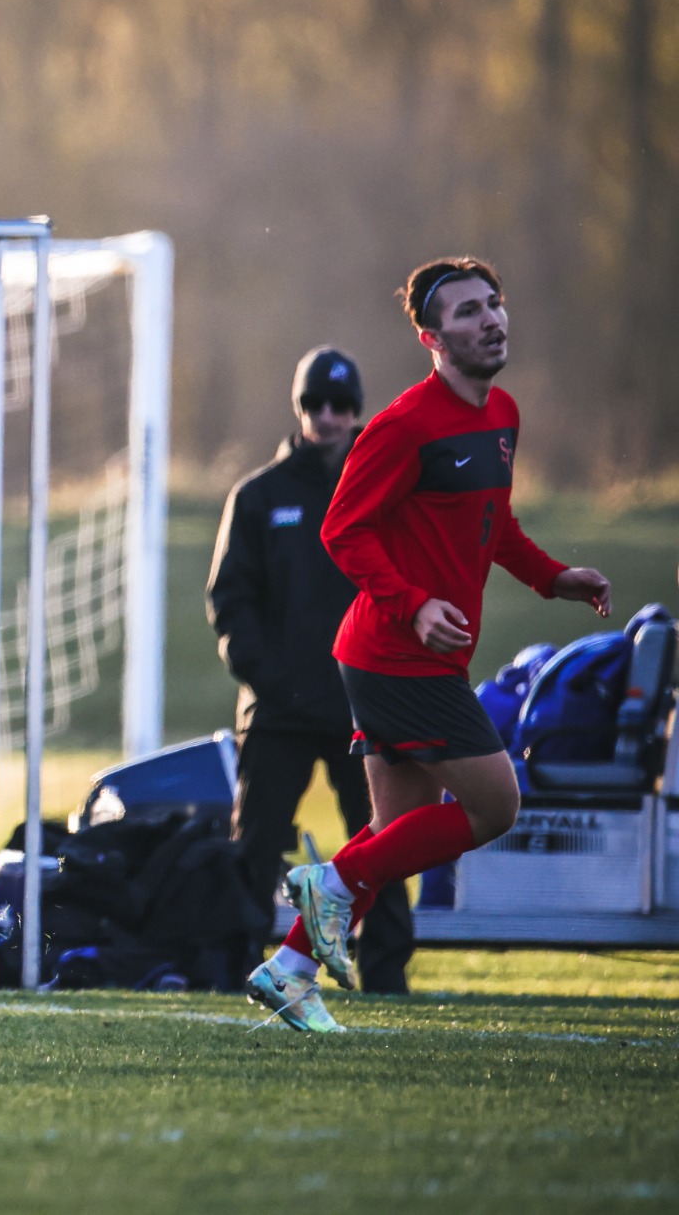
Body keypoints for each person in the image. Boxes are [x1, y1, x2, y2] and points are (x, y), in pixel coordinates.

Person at [247, 259, 611, 1032]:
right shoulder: (406, 423)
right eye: (468, 312)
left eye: (494, 304)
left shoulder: (502, 414)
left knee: (397, 833)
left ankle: (288, 968)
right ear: (431, 336)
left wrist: (553, 578)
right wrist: (413, 606)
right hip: (390, 654)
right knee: (495, 804)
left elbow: (495, 525)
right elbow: (342, 528)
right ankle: (330, 881)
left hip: (420, 655)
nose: (490, 319)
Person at [208, 346, 414, 994]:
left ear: (359, 411)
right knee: (254, 846)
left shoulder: (383, 493)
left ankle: (386, 973)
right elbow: (229, 601)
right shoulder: (259, 496)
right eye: (315, 404)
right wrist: (272, 679)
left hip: (365, 704)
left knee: (384, 841)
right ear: (298, 409)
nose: (328, 417)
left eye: (342, 404)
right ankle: (238, 963)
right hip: (278, 708)